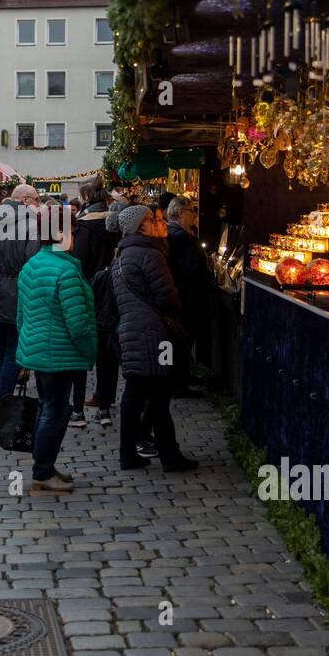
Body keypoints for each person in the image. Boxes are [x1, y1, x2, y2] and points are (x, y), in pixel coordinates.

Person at [112, 204, 199, 473]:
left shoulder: (123, 254)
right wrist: (177, 310)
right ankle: (170, 456)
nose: (160, 223)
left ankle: (128, 453)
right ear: (141, 226)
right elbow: (167, 296)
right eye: (153, 220)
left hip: (132, 331)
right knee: (160, 393)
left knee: (135, 393)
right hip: (156, 334)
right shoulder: (149, 254)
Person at [17, 205, 96, 494]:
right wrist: (89, 351)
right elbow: (78, 324)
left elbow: (21, 315)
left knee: (47, 407)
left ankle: (45, 466)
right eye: (73, 231)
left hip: (39, 351)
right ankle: (42, 471)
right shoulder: (66, 271)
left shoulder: (31, 265)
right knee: (55, 411)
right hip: (60, 354)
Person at [0, 183, 42, 401]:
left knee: (2, 347)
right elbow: (32, 261)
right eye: (36, 199)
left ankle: (0, 396)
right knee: (13, 350)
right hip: (19, 292)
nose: (38, 203)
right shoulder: (32, 223)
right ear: (25, 200)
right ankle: (6, 399)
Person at [71, 175, 121, 427]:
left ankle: (78, 410)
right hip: (113, 290)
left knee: (82, 350)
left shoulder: (85, 225)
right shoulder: (114, 220)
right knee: (107, 350)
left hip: (89, 289)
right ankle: (105, 403)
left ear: (87, 197)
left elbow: (79, 261)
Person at [166, 195, 213, 398]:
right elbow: (188, 269)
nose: (195, 214)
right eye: (191, 210)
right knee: (181, 340)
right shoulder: (181, 237)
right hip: (187, 295)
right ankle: (178, 382)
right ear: (180, 213)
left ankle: (182, 377)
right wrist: (206, 273)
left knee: (183, 341)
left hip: (185, 294)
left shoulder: (181, 234)